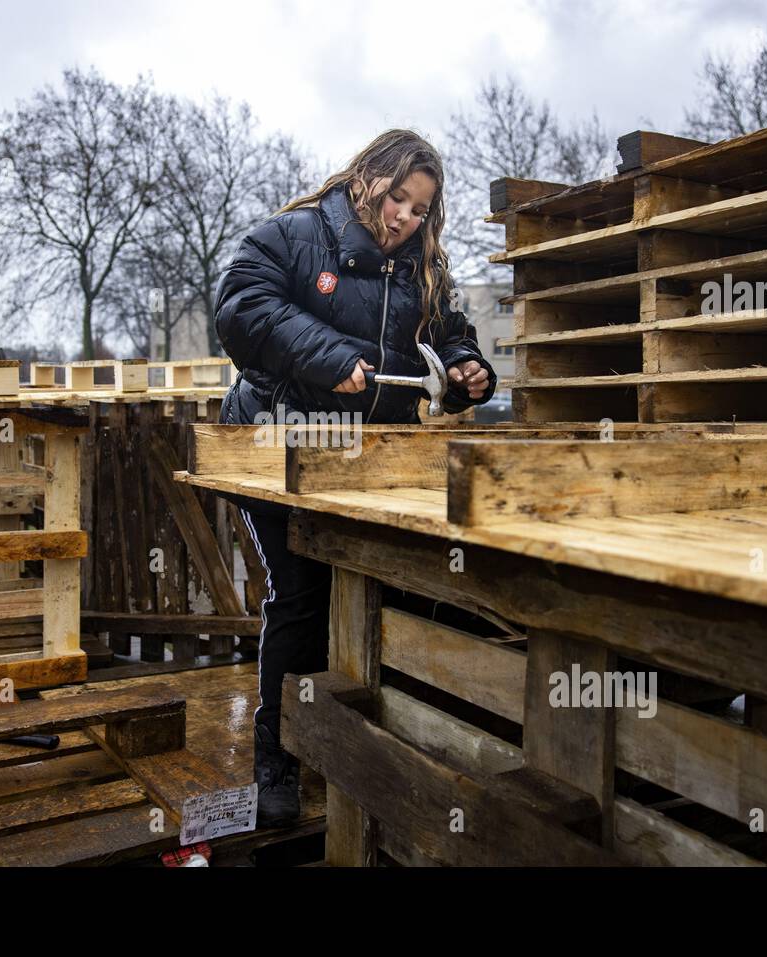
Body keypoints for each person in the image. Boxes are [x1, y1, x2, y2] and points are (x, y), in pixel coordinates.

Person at [213, 128, 497, 827]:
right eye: (397, 196)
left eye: (420, 208)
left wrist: (466, 370)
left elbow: (447, 333)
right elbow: (241, 307)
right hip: (276, 444)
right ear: (367, 176)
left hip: (369, 459)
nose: (404, 216)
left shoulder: (424, 269)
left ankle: (347, 739)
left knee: (370, 585)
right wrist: (326, 355)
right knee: (303, 593)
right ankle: (275, 751)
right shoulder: (292, 235)